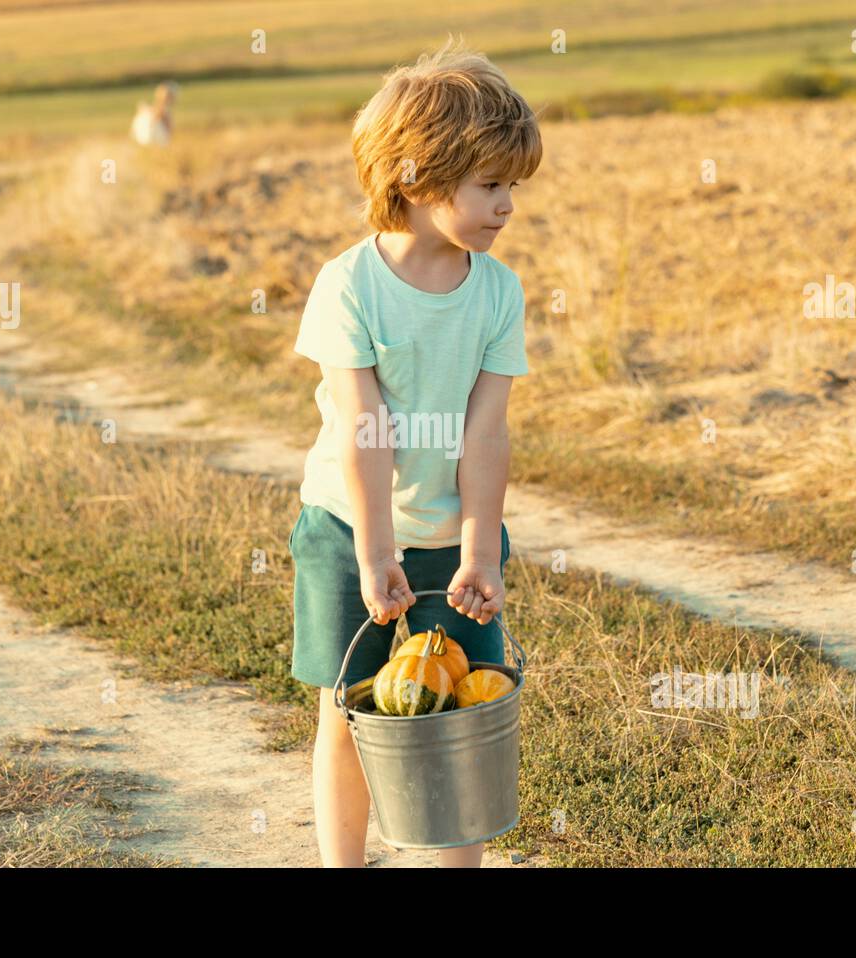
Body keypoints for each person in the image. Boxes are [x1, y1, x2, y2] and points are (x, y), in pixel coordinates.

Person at [287, 36, 542, 868]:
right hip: (346, 530)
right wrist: (374, 555)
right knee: (349, 710)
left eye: (513, 187)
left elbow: (487, 433)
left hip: (453, 538)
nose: (508, 205)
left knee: (460, 716)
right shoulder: (349, 285)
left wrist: (479, 551)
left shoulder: (497, 292)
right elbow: (367, 429)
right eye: (491, 185)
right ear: (414, 176)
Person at [130, 81, 176, 146]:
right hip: (152, 137)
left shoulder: (163, 110)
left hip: (153, 137)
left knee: (146, 113)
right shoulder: (160, 109)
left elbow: (168, 128)